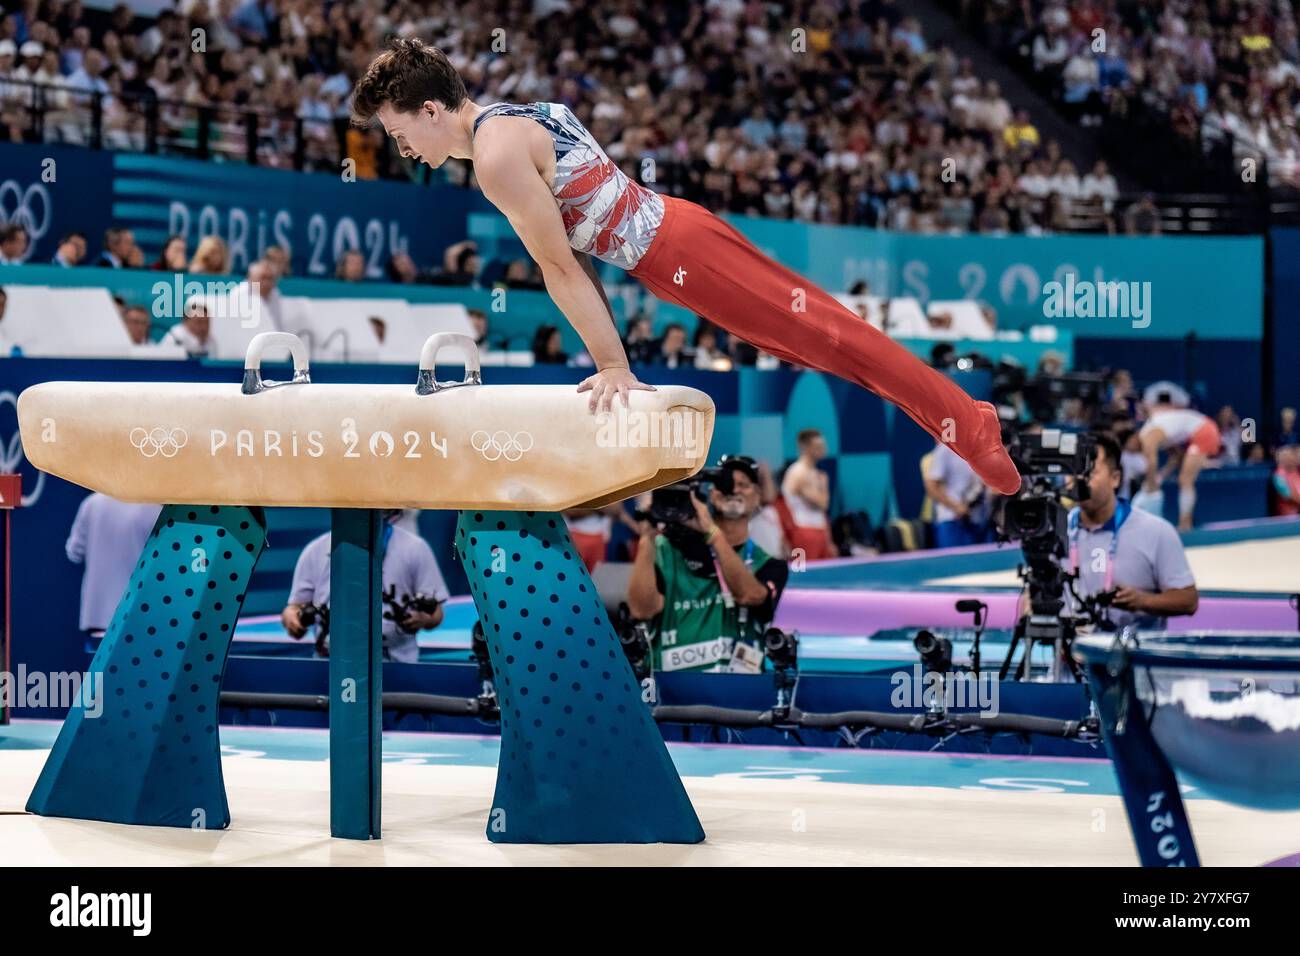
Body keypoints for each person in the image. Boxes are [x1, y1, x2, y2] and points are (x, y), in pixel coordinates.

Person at [349, 39, 1020, 496]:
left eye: (400, 131)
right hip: (674, 248)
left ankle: (968, 421)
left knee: (836, 337)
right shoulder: (508, 115)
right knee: (827, 347)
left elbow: (559, 269)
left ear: (431, 108)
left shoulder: (495, 156)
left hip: (679, 254)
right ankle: (960, 420)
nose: (402, 148)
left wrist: (613, 365)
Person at [626, 456, 789, 673]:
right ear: (710, 495)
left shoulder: (769, 565)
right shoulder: (668, 549)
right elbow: (641, 610)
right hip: (673, 694)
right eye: (725, 485)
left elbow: (750, 596)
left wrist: (713, 533)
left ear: (758, 497)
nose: (733, 490)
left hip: (741, 697)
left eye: (743, 485)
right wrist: (647, 537)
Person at [1067, 433, 1198, 632]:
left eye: (1090, 473)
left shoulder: (1156, 531)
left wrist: (1143, 601)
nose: (1080, 480)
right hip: (1068, 658)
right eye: (1074, 471)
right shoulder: (1056, 529)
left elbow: (1189, 601)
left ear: (1115, 478)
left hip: (1131, 657)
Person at [283, 511, 449, 663]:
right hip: (329, 665)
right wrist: (293, 620)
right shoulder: (315, 551)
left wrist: (424, 618)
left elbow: (437, 614)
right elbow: (294, 608)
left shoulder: (415, 548)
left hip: (397, 665)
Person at [66, 493, 162, 635]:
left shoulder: (92, 503)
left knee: (97, 657)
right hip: (137, 613)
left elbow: (74, 553)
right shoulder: (155, 510)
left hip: (97, 615)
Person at [1138, 396, 1221, 530]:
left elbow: (1152, 463)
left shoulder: (1147, 437)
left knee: (1185, 480)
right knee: (1184, 479)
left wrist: (1151, 486)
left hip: (1204, 430)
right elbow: (1176, 458)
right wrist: (1159, 478)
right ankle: (1185, 523)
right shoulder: (1158, 435)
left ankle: (1185, 524)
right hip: (1199, 430)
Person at [781, 429, 834, 561]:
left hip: (818, 531)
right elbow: (822, 503)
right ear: (807, 448)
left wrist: (828, 539)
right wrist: (823, 485)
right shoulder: (798, 472)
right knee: (803, 577)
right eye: (819, 447)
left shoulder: (815, 473)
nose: (824, 449)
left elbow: (821, 512)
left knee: (823, 578)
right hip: (803, 532)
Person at [924, 440, 990, 548]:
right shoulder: (945, 450)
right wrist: (957, 507)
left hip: (978, 521)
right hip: (951, 522)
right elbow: (931, 487)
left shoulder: (981, 450)